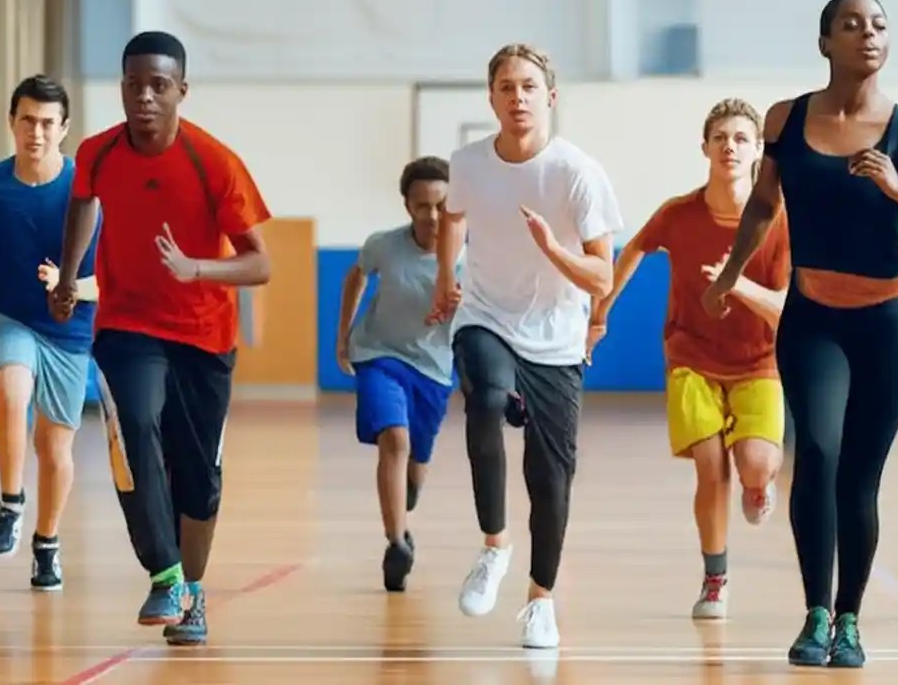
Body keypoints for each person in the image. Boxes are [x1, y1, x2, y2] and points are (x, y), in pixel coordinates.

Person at [702, 0, 898, 668]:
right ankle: (815, 612)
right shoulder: (787, 121)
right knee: (814, 454)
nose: (867, 34)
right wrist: (731, 272)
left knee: (858, 476)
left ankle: (850, 619)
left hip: (885, 327)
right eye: (851, 25)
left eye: (878, 25)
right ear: (826, 42)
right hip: (813, 319)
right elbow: (763, 203)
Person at [49, 31, 272, 646]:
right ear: (121, 86)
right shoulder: (97, 152)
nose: (144, 97)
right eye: (133, 84)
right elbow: (82, 203)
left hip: (204, 334)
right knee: (136, 427)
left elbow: (260, 264)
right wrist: (68, 277)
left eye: (158, 85)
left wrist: (199, 268)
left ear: (181, 91)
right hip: (127, 325)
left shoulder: (214, 162)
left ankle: (193, 591)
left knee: (198, 477)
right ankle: (165, 573)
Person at [426, 43, 623, 649]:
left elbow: (602, 279)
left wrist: (553, 250)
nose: (518, 97)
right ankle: (494, 546)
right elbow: (453, 217)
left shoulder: (576, 173)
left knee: (551, 476)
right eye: (507, 87)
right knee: (483, 399)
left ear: (550, 97)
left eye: (529, 87)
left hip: (556, 338)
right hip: (486, 314)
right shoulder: (467, 161)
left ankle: (541, 601)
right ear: (491, 98)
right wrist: (446, 276)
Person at [587, 98, 790, 620]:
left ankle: (759, 482)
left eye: (741, 138)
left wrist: (736, 283)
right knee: (709, 465)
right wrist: (600, 313)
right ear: (705, 148)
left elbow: (786, 307)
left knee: (754, 465)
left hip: (758, 362)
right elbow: (631, 250)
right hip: (691, 356)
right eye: (720, 137)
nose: (730, 146)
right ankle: (715, 579)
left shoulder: (781, 220)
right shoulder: (679, 213)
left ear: (756, 152)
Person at [0, 74, 99, 590]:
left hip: (68, 330)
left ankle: (47, 543)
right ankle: (11, 501)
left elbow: (112, 276)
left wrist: (69, 285)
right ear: (12, 122)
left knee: (55, 451)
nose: (37, 132)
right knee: (12, 391)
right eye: (27, 120)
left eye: (48, 123)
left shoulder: (86, 192)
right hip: (8, 316)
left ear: (65, 128)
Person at [336, 155, 458, 593]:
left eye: (441, 205)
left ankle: (405, 499)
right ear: (407, 206)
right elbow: (356, 278)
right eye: (422, 205)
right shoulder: (383, 245)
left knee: (416, 462)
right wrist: (344, 335)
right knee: (395, 439)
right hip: (379, 354)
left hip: (434, 368)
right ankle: (397, 543)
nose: (431, 215)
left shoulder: (469, 257)